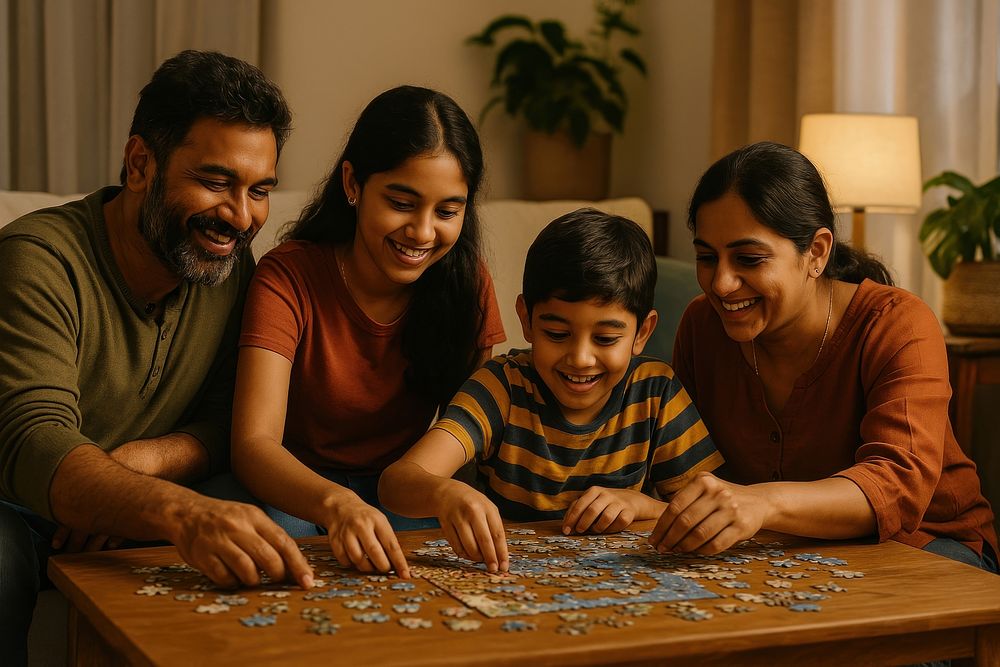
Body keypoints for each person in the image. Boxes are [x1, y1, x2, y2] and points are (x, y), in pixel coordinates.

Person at [0, 50, 315, 665]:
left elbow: (232, 421)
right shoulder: (35, 258)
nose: (241, 216)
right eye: (216, 181)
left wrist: (148, 463)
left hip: (136, 508)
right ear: (140, 162)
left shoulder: (226, 266)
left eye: (260, 191)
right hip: (19, 509)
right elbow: (33, 440)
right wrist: (180, 512)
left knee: (284, 522)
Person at [650, 141, 998, 576]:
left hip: (930, 546)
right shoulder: (702, 326)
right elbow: (683, 468)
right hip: (778, 554)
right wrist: (642, 504)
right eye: (706, 257)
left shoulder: (899, 324)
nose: (721, 284)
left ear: (816, 252)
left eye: (748, 259)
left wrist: (763, 502)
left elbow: (898, 484)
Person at [230, 85, 506, 579]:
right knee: (273, 561)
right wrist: (337, 504)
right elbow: (253, 444)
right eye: (402, 202)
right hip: (292, 488)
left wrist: (447, 496)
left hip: (403, 489)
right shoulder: (288, 277)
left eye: (447, 212)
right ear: (353, 184)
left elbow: (470, 436)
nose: (422, 232)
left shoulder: (468, 285)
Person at [379, 209, 724, 573]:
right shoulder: (502, 387)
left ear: (642, 332)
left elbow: (710, 513)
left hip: (625, 586)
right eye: (557, 334)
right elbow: (397, 482)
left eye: (606, 338)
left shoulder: (657, 392)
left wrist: (643, 507)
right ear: (526, 319)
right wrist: (444, 493)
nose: (580, 358)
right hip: (509, 581)